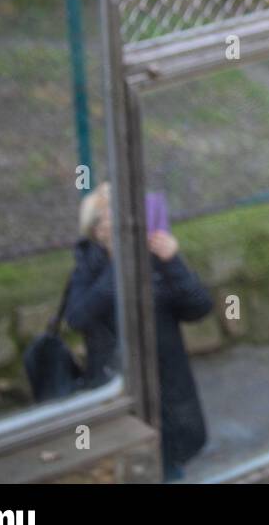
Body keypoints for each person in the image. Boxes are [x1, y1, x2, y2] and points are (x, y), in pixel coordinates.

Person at [68, 183, 214, 481]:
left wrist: (173, 262)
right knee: (129, 464)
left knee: (169, 462)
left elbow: (199, 308)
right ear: (98, 230)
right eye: (115, 215)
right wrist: (117, 270)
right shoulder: (89, 267)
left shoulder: (156, 260)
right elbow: (77, 317)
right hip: (116, 384)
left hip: (165, 384)